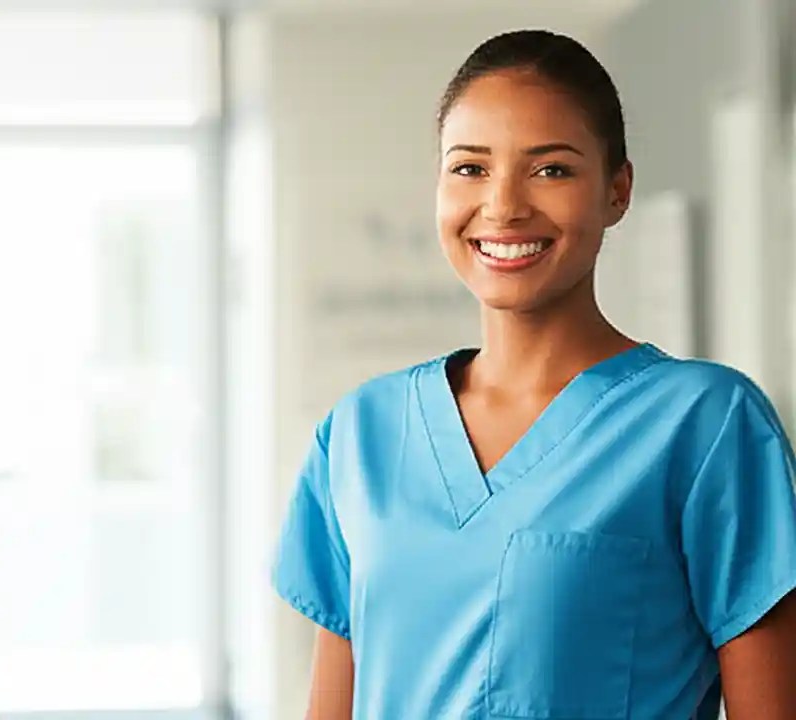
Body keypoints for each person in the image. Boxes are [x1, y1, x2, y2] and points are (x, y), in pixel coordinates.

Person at [271, 29, 796, 719]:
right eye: (470, 168)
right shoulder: (360, 435)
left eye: (550, 169)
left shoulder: (706, 425)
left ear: (616, 190)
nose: (504, 205)